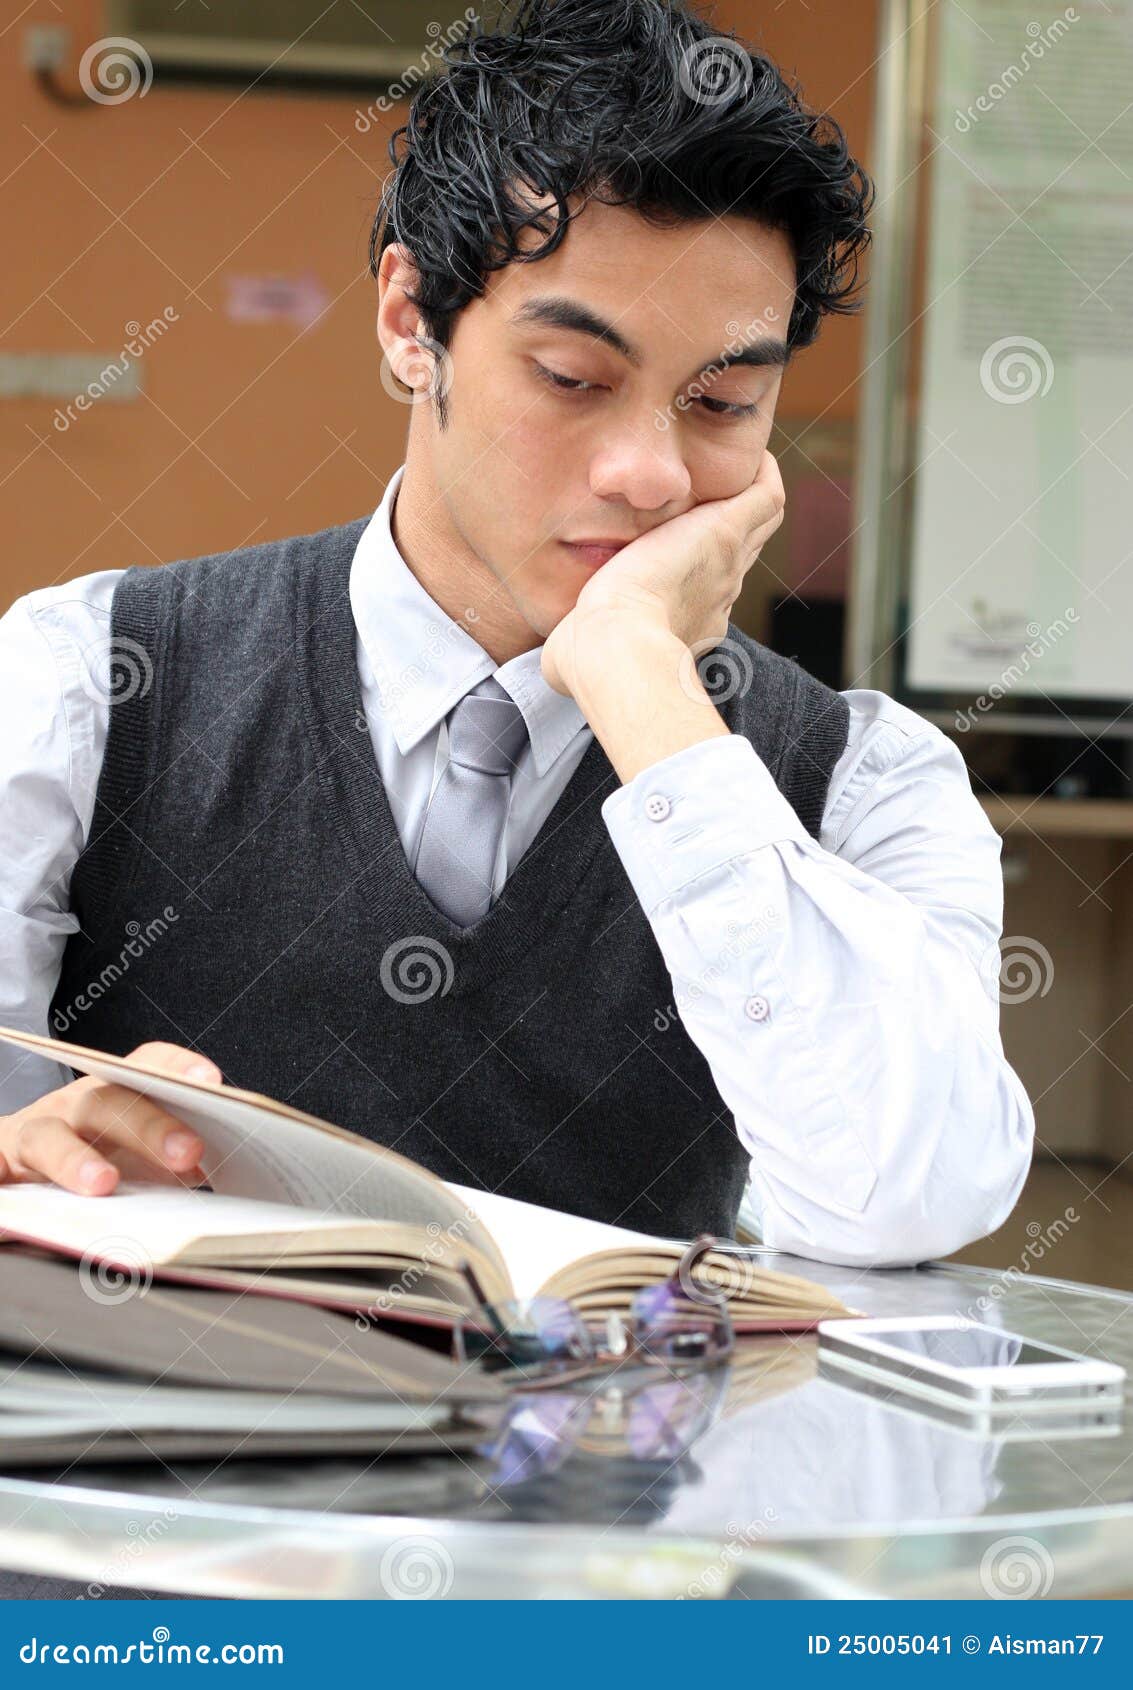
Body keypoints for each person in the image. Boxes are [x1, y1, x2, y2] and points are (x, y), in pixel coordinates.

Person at [0, 0, 1033, 1269]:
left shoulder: (864, 777)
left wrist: (645, 689)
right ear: (406, 322)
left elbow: (906, 1197)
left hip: (627, 1463)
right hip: (147, 1455)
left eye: (722, 401)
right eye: (571, 378)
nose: (649, 472)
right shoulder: (87, 682)